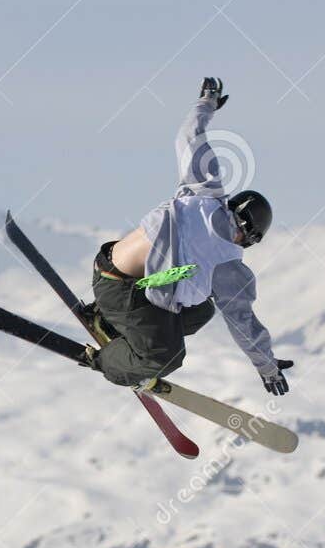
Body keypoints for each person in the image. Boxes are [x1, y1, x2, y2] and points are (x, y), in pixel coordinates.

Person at [82, 77, 293, 396]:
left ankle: (111, 324)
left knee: (200, 307)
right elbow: (243, 323)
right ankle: (111, 362)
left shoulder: (205, 191)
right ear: (250, 236)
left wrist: (206, 103)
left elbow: (189, 137)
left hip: (112, 270)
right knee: (168, 356)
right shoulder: (229, 267)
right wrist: (266, 366)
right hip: (125, 290)